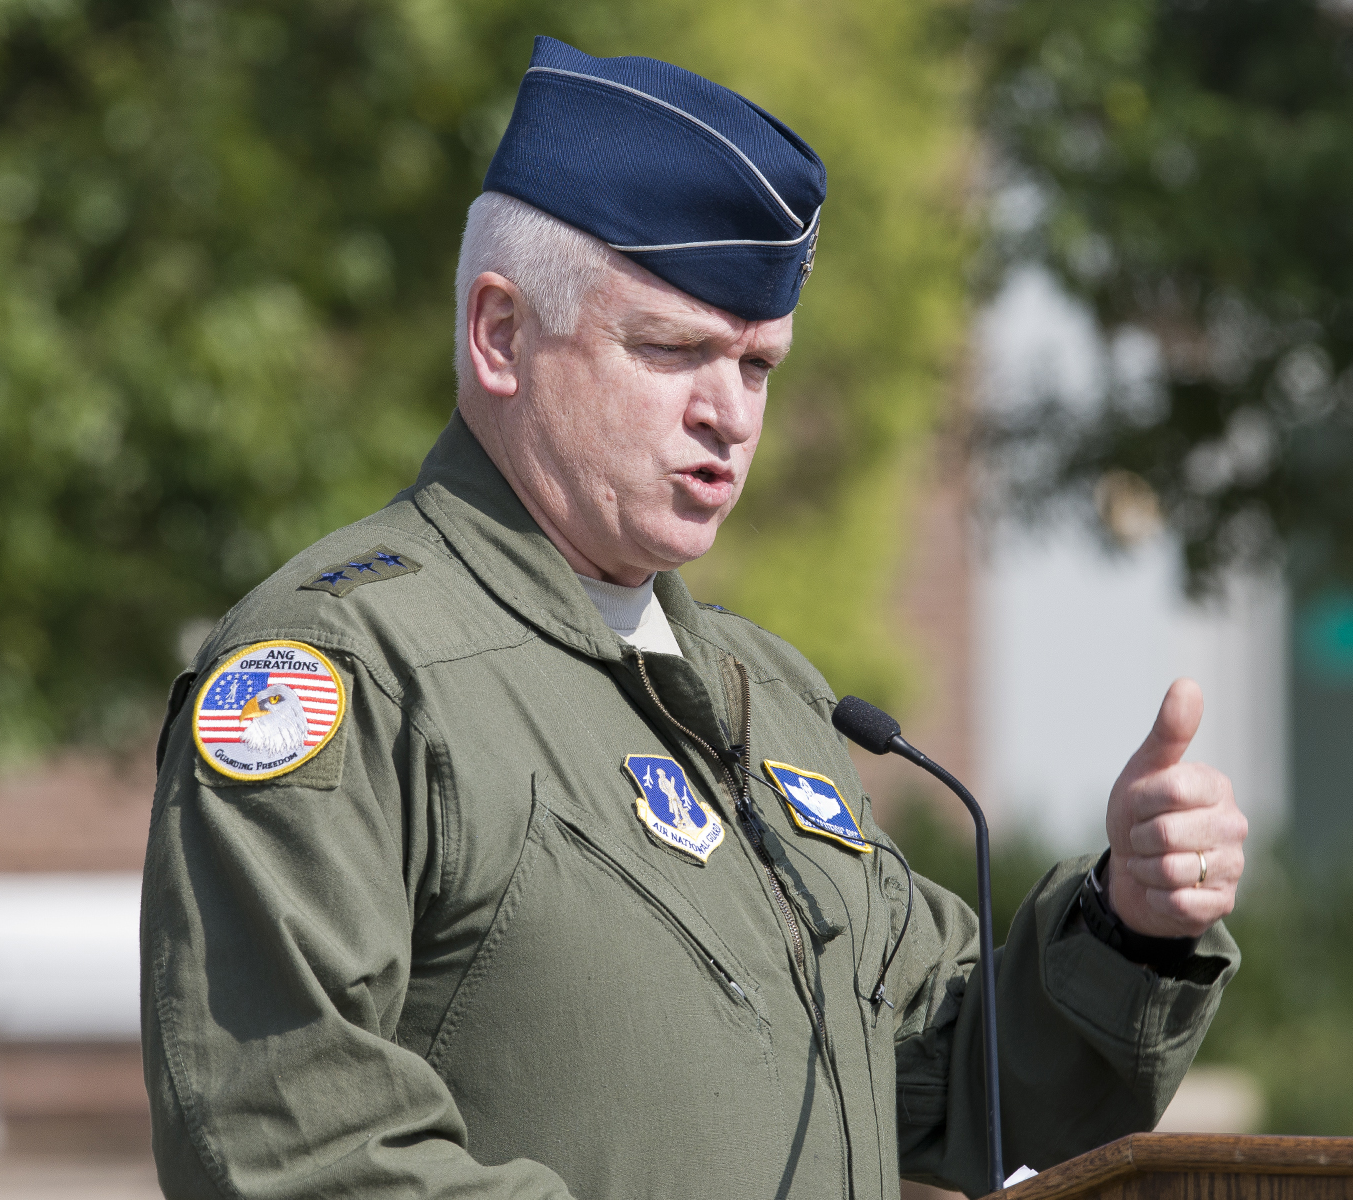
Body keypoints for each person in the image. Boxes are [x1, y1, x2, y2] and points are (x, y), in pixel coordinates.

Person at [141, 36, 1248, 1200]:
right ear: (500, 334)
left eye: (758, 365)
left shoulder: (769, 698)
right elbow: (290, 1144)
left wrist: (1127, 923)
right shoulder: (346, 671)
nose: (728, 414)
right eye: (671, 350)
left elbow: (947, 1085)